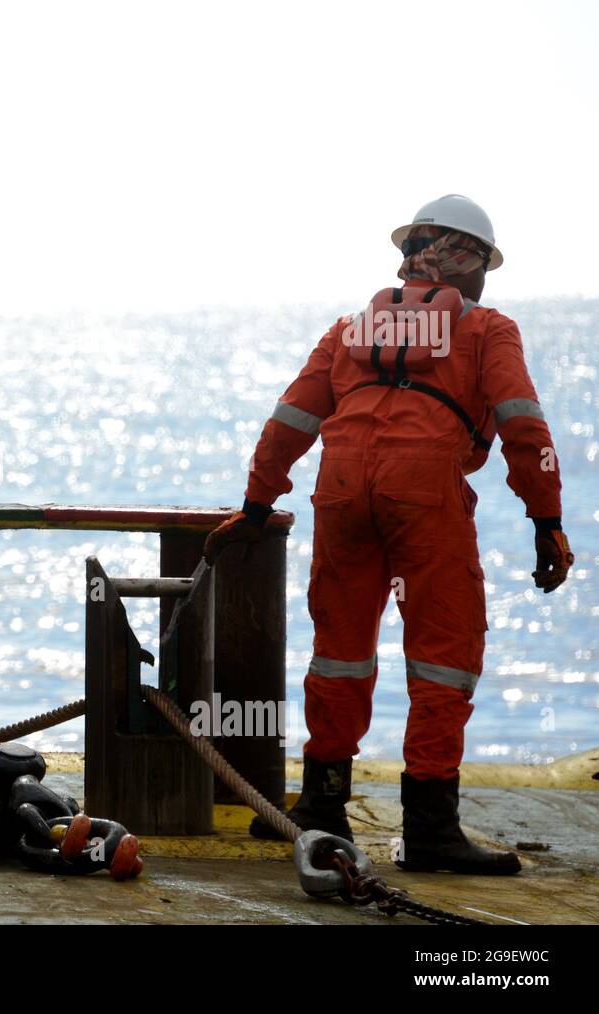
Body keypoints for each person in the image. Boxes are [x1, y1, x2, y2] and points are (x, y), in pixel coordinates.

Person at [203, 195, 573, 875]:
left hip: (341, 491)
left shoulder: (348, 330)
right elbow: (524, 428)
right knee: (444, 654)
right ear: (469, 264)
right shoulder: (488, 329)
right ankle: (430, 827)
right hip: (423, 492)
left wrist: (257, 504)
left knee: (340, 650)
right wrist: (546, 520)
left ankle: (321, 803)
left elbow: (287, 422)